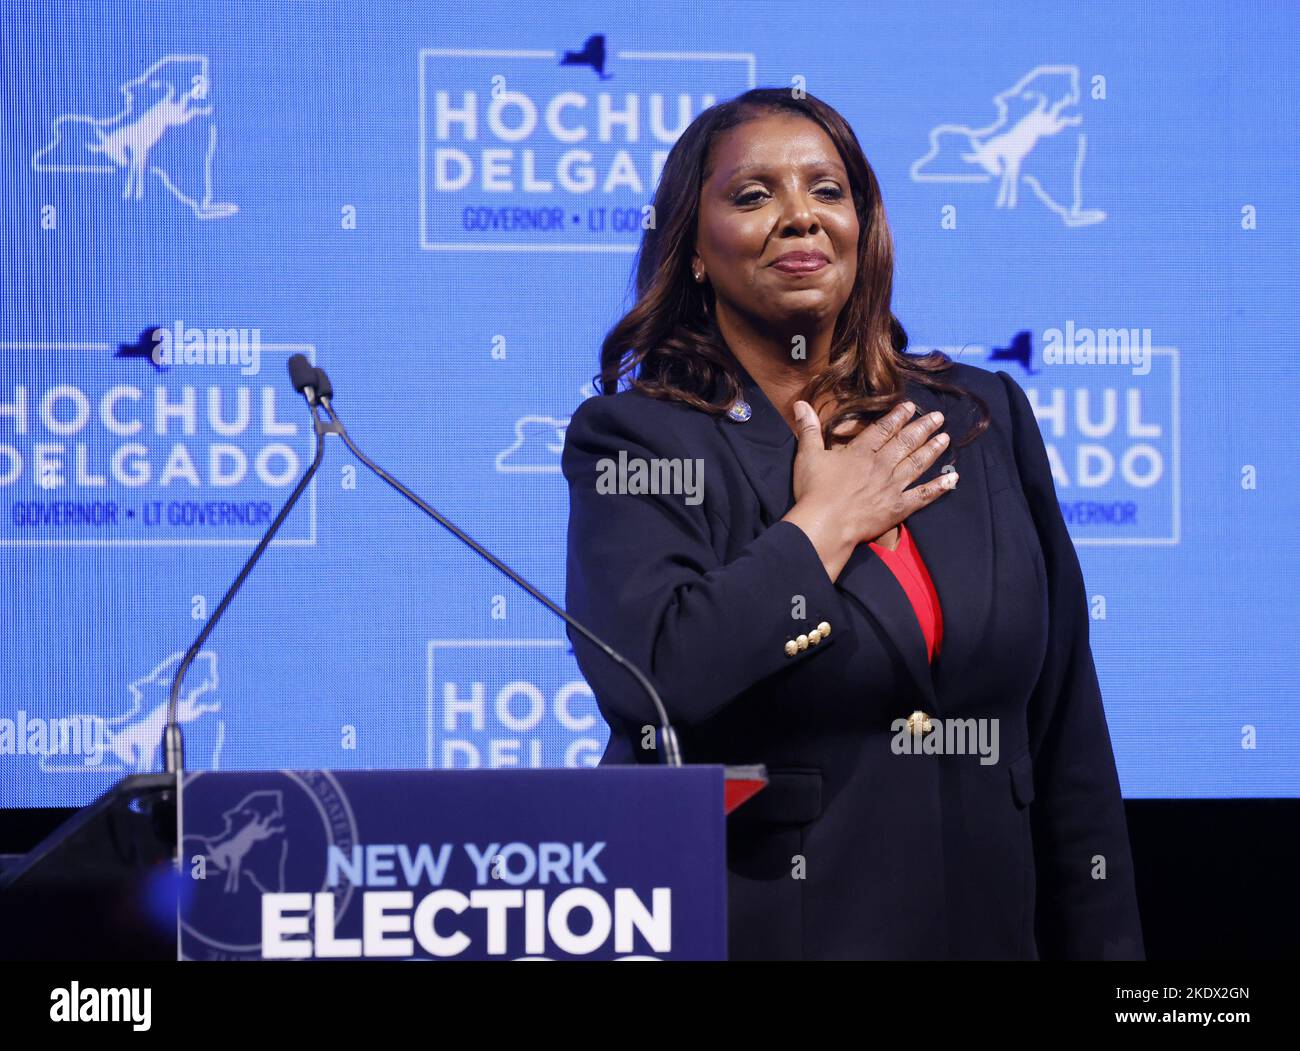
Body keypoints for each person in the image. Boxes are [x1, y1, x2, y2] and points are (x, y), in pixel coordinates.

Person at [561, 88, 1144, 960]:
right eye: (753, 196)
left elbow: (1065, 734)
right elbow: (657, 681)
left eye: (827, 191)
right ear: (690, 251)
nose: (800, 217)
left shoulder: (979, 416)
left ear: (864, 229)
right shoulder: (639, 437)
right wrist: (822, 524)